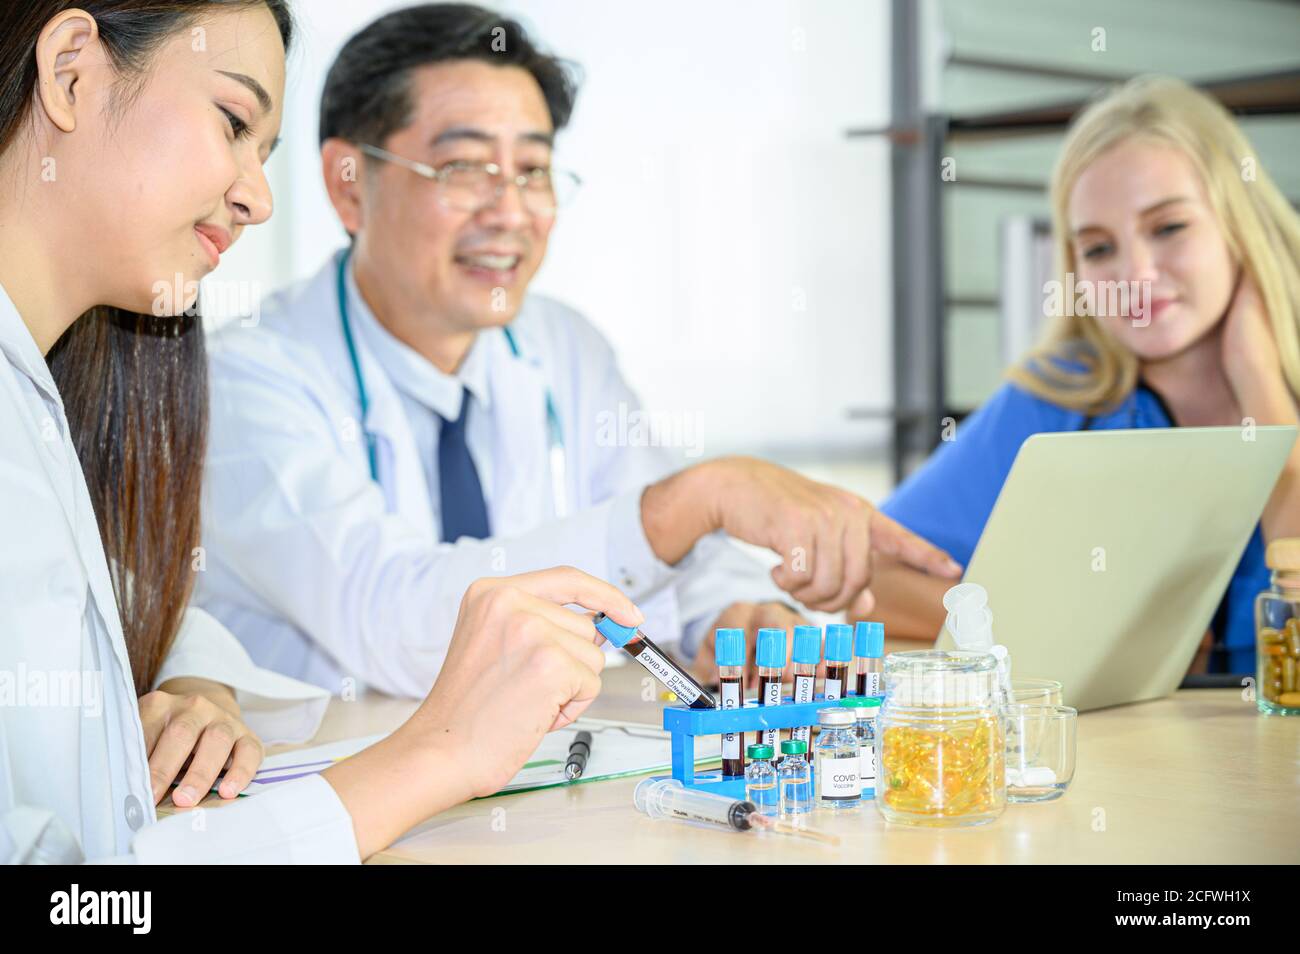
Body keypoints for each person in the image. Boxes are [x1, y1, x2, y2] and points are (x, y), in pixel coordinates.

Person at [0, 0, 642, 864]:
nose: (257, 198)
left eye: (533, 171)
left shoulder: (49, 396)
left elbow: (102, 585)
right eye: (232, 122)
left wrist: (193, 678)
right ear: (71, 69)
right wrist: (436, 757)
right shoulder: (250, 370)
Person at [197, 2, 961, 697]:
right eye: (465, 167)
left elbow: (672, 558)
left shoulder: (561, 345)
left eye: (533, 170)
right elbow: (393, 617)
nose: (510, 211)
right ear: (349, 183)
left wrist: (734, 613)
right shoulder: (245, 380)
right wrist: (699, 497)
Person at [867, 76, 1300, 675]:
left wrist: (1261, 385)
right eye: (1098, 249)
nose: (1137, 276)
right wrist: (1090, 630)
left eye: (1169, 227)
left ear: (1240, 224)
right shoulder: (1058, 397)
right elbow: (876, 574)